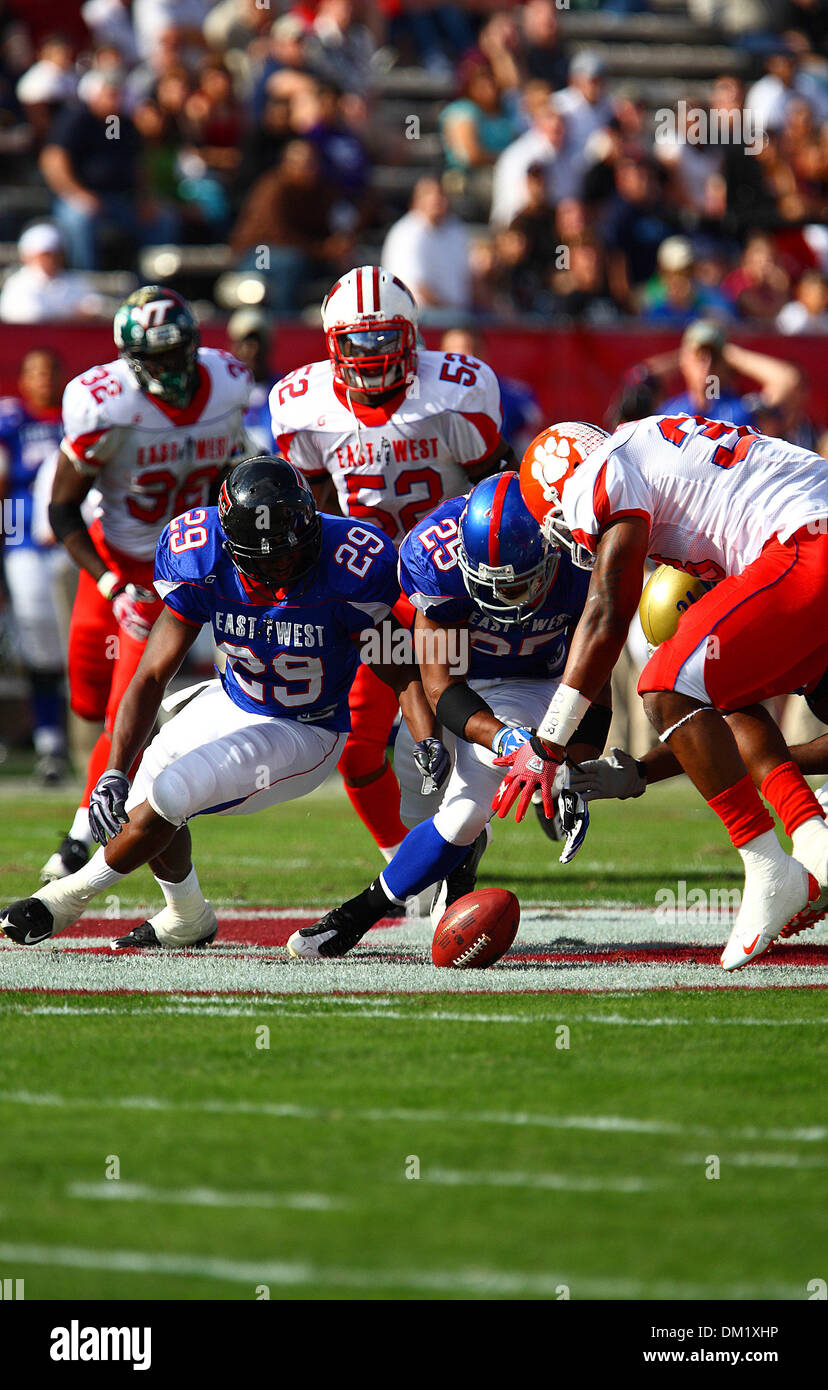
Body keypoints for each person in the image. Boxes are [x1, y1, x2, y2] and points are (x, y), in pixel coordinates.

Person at [0, 457, 425, 951]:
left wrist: (426, 737)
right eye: (263, 560)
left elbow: (400, 668)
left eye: (288, 554)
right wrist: (113, 770)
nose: (279, 568)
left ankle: (63, 899)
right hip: (233, 697)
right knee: (144, 789)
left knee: (172, 792)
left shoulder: (351, 564)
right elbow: (153, 672)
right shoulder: (201, 555)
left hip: (306, 728)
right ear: (231, 547)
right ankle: (187, 917)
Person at [512, 418, 828, 972]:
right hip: (805, 534)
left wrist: (549, 742)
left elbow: (607, 614)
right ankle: (814, 839)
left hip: (806, 540)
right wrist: (639, 771)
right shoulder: (657, 456)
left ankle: (768, 865)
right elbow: (723, 716)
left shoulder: (603, 472)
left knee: (663, 681)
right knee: (725, 689)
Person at [287, 472, 600, 959]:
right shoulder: (438, 561)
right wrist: (508, 742)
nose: (502, 598)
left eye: (517, 585)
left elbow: (596, 697)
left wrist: (570, 770)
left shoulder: (584, 561)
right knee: (419, 809)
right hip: (461, 679)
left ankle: (353, 917)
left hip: (534, 681)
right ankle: (462, 855)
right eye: (489, 584)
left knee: (464, 812)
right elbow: (441, 688)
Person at [270, 265, 508, 865]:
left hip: (452, 580)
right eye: (357, 340)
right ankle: (403, 861)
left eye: (384, 338)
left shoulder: (454, 389)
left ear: (412, 336)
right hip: (371, 587)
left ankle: (478, 830)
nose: (372, 353)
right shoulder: (302, 405)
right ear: (333, 345)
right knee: (359, 750)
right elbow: (316, 505)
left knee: (459, 730)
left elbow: (498, 492)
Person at [39, 285, 252, 882]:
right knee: (84, 692)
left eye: (179, 351)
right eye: (156, 357)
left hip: (175, 568)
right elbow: (62, 512)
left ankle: (81, 837)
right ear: (130, 359)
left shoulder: (228, 381)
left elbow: (235, 468)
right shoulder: (101, 401)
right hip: (114, 560)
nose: (172, 368)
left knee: (123, 706)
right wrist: (110, 583)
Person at [0, 349, 68, 782]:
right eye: (35, 371)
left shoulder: (74, 419)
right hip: (23, 543)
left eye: (50, 370)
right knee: (38, 643)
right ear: (23, 379)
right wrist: (4, 542)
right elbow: (3, 494)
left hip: (69, 544)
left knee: (78, 645)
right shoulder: (12, 421)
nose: (43, 379)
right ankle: (49, 743)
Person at [381, 178, 471, 316]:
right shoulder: (407, 233)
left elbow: (469, 276)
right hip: (418, 316)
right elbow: (418, 288)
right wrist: (454, 312)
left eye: (441, 194)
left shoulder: (455, 228)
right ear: (416, 200)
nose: (437, 200)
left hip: (458, 312)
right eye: (431, 195)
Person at [0, 223, 102, 324]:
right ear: (28, 256)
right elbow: (32, 317)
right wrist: (73, 315)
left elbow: (95, 308)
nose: (51, 260)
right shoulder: (17, 285)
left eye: (56, 254)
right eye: (45, 255)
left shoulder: (76, 282)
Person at [226, 307, 277, 454]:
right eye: (246, 343)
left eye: (258, 343)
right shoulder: (223, 393)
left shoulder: (285, 392)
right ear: (234, 347)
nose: (253, 351)